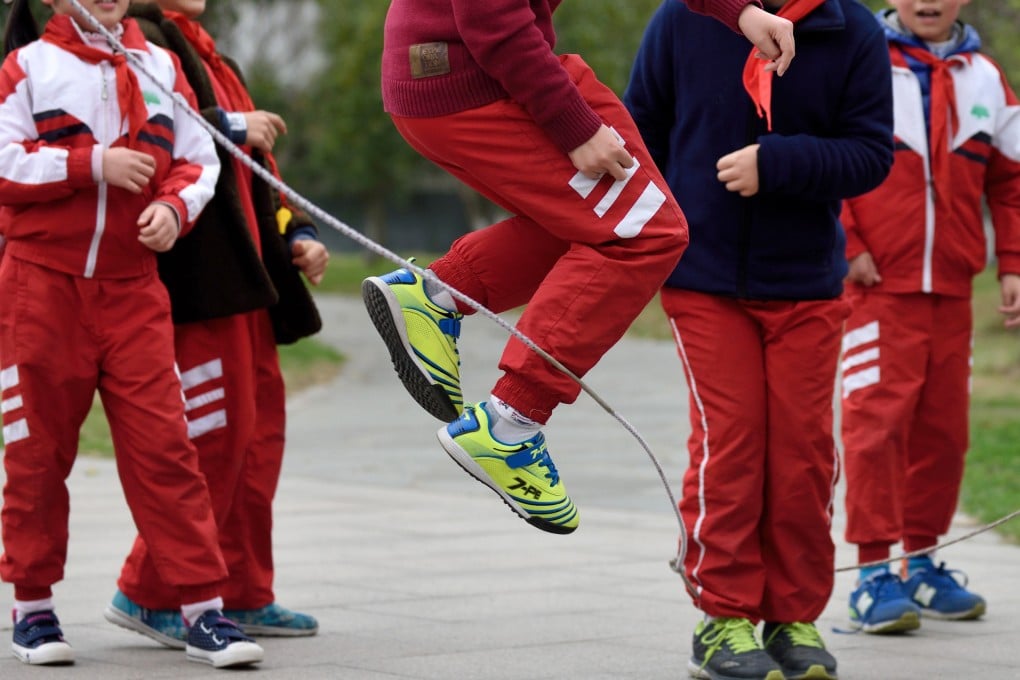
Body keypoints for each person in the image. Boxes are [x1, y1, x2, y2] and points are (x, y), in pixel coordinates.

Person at [361, 0, 797, 537]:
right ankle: (509, 425)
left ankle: (436, 297)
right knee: (643, 233)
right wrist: (575, 128)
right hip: (478, 76)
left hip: (456, 75)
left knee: (594, 223)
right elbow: (491, 19)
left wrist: (741, 14)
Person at [624, 0, 894, 677]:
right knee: (732, 442)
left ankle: (793, 615)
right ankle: (723, 618)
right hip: (702, 278)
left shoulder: (852, 29)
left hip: (807, 284)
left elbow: (870, 154)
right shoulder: (681, 19)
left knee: (802, 451)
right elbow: (640, 135)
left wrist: (778, 163)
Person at [0, 0, 264, 668]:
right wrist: (92, 165)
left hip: (134, 292)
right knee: (36, 455)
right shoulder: (26, 66)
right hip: (39, 288)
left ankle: (203, 611)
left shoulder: (160, 64)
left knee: (167, 450)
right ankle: (32, 607)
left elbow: (198, 159)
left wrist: (176, 210)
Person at [100, 0, 329, 648]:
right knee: (209, 438)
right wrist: (231, 122)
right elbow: (141, 124)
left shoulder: (212, 52)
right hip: (197, 283)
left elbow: (261, 173)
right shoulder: (135, 38)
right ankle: (150, 590)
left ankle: (244, 589)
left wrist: (297, 234)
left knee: (257, 442)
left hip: (249, 282)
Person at [839, 0, 1020, 635]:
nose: (927, 3)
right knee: (876, 426)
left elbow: (1011, 180)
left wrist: (1012, 265)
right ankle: (871, 575)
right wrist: (847, 243)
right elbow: (829, 156)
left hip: (952, 288)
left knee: (943, 433)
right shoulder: (861, 59)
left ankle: (921, 564)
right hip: (877, 286)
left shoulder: (988, 78)